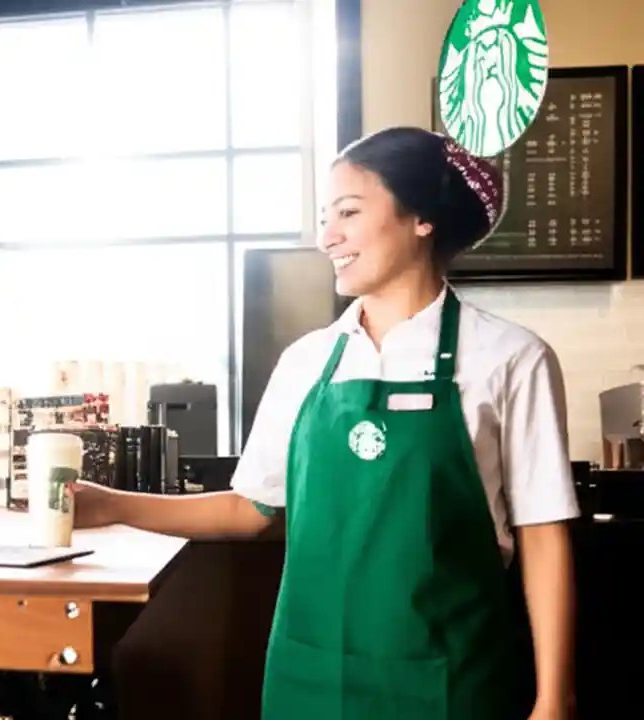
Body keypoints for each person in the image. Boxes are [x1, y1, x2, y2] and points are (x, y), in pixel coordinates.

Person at [75, 127, 578, 720]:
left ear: (421, 218)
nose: (326, 237)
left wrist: (554, 697)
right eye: (323, 217)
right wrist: (111, 505)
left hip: (450, 680)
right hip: (309, 678)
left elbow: (542, 535)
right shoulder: (307, 361)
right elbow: (252, 509)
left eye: (347, 211)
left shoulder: (509, 357)